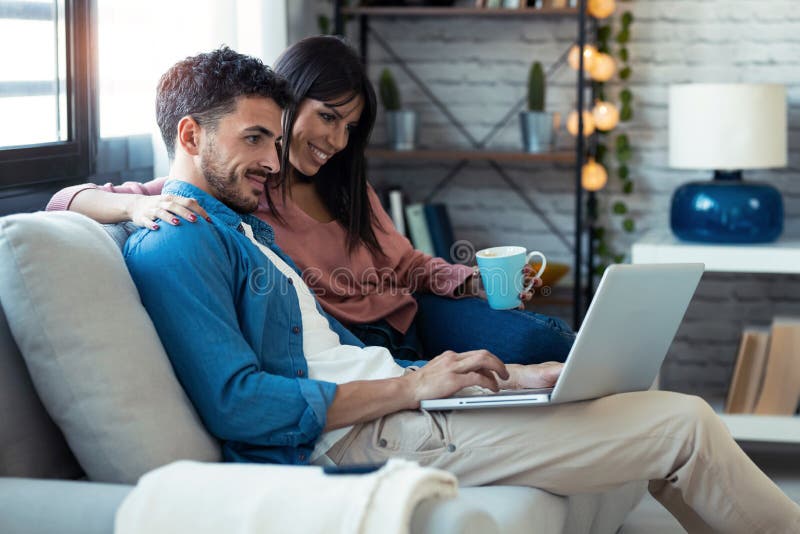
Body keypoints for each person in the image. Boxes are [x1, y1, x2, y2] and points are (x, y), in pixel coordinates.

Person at [125, 47, 799, 534]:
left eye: (275, 139)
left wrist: (493, 380)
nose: (274, 162)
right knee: (683, 425)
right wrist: (413, 388)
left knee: (637, 400)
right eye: (256, 140)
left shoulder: (241, 222)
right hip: (362, 434)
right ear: (190, 135)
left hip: (398, 389)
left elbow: (355, 335)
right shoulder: (177, 236)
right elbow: (241, 405)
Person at [46, 35, 574, 365]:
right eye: (327, 117)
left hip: (413, 317)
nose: (337, 142)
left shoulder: (346, 184)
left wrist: (470, 281)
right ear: (289, 102)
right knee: (534, 356)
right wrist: (134, 208)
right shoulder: (243, 185)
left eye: (350, 127)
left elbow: (407, 263)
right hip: (356, 344)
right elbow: (64, 200)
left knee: (550, 341)